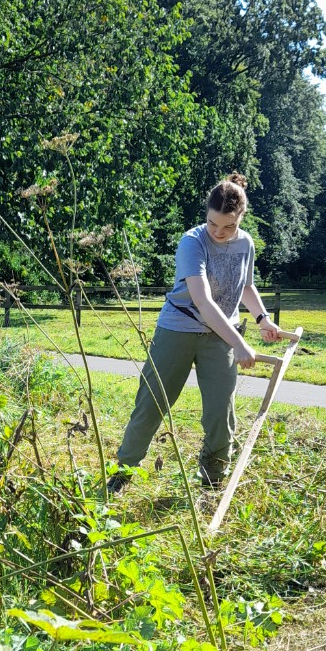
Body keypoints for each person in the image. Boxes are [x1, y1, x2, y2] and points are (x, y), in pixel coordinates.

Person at [108, 173, 280, 493]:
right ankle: (122, 472)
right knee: (151, 404)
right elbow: (201, 300)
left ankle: (211, 481)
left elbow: (246, 286)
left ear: (240, 218)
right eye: (213, 223)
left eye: (228, 226)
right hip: (178, 330)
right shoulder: (192, 241)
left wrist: (262, 319)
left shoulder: (246, 244)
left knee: (220, 415)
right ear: (207, 215)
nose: (219, 232)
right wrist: (240, 343)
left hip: (221, 337)